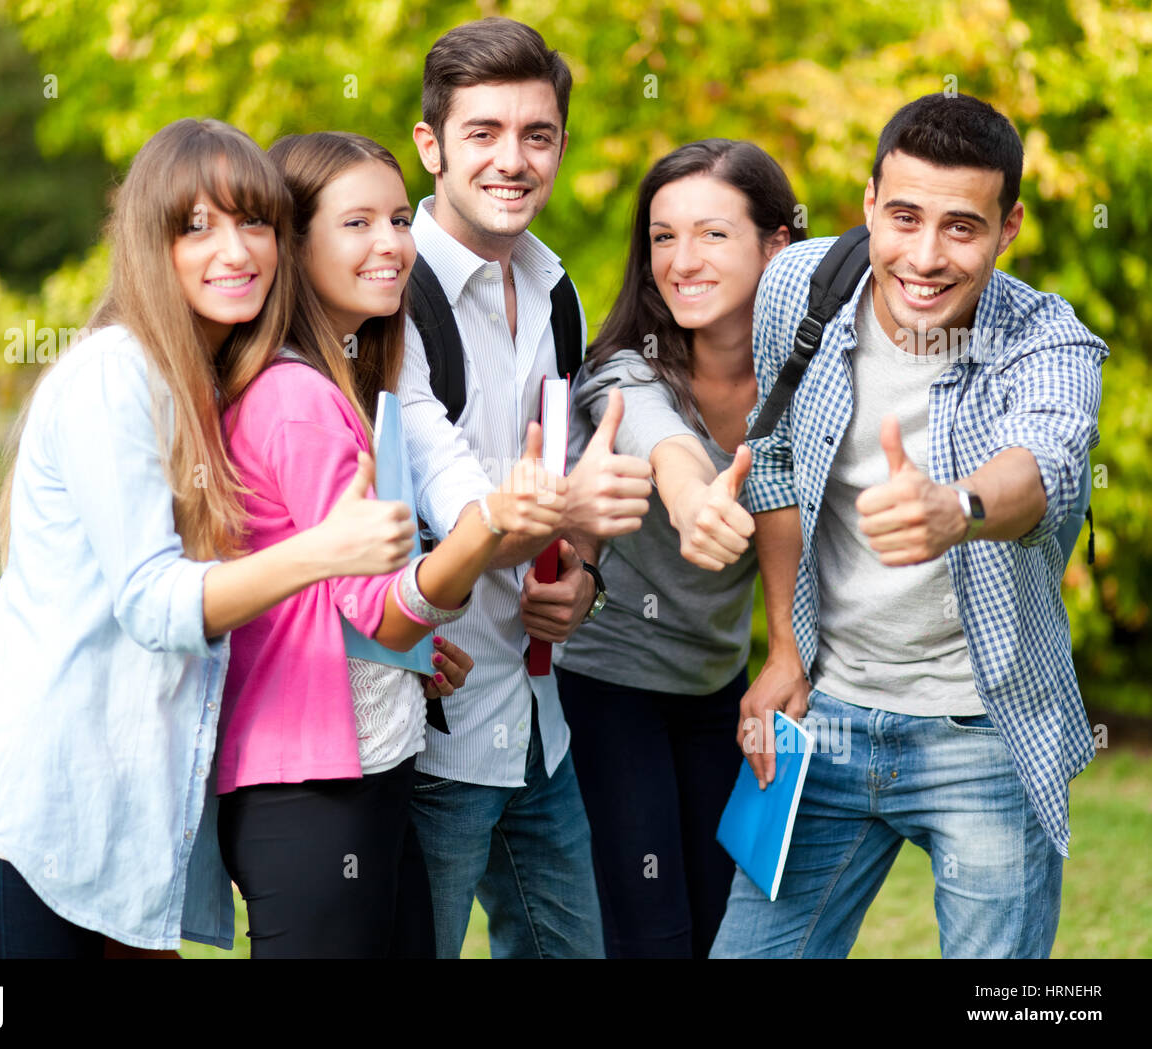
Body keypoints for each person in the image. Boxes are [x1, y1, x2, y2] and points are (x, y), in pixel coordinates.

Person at [0, 118, 417, 958]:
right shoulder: (115, 374)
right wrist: (326, 549)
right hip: (19, 833)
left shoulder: (207, 386)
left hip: (122, 842)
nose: (234, 250)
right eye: (195, 226)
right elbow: (154, 602)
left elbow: (249, 600)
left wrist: (388, 645)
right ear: (147, 243)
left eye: (254, 223)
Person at [711, 93, 1107, 959]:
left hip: (985, 734)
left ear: (1008, 230)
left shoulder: (1049, 343)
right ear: (867, 204)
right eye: (904, 218)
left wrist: (955, 508)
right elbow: (772, 460)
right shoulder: (797, 286)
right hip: (828, 718)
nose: (925, 256)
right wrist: (782, 649)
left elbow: (1046, 465)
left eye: (962, 227)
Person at [214, 130, 568, 958]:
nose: (393, 244)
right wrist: (490, 526)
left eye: (401, 219)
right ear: (294, 248)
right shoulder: (299, 398)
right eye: (358, 223)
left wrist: (407, 662)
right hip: (312, 788)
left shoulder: (346, 382)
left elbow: (331, 603)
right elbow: (381, 613)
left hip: (360, 770)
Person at [396, 17, 654, 958]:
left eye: (536, 136)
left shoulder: (559, 291)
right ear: (430, 146)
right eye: (483, 134)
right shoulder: (390, 291)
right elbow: (435, 494)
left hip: (540, 720)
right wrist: (576, 510)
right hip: (431, 724)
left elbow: (571, 474)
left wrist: (582, 567)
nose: (514, 160)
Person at [554, 139, 803, 958]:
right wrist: (695, 498)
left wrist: (785, 652)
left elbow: (786, 507)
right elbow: (664, 445)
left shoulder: (808, 381)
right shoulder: (627, 370)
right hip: (607, 682)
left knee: (725, 931)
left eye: (712, 235)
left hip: (718, 687)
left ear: (777, 245)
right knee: (652, 935)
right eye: (663, 237)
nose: (682, 261)